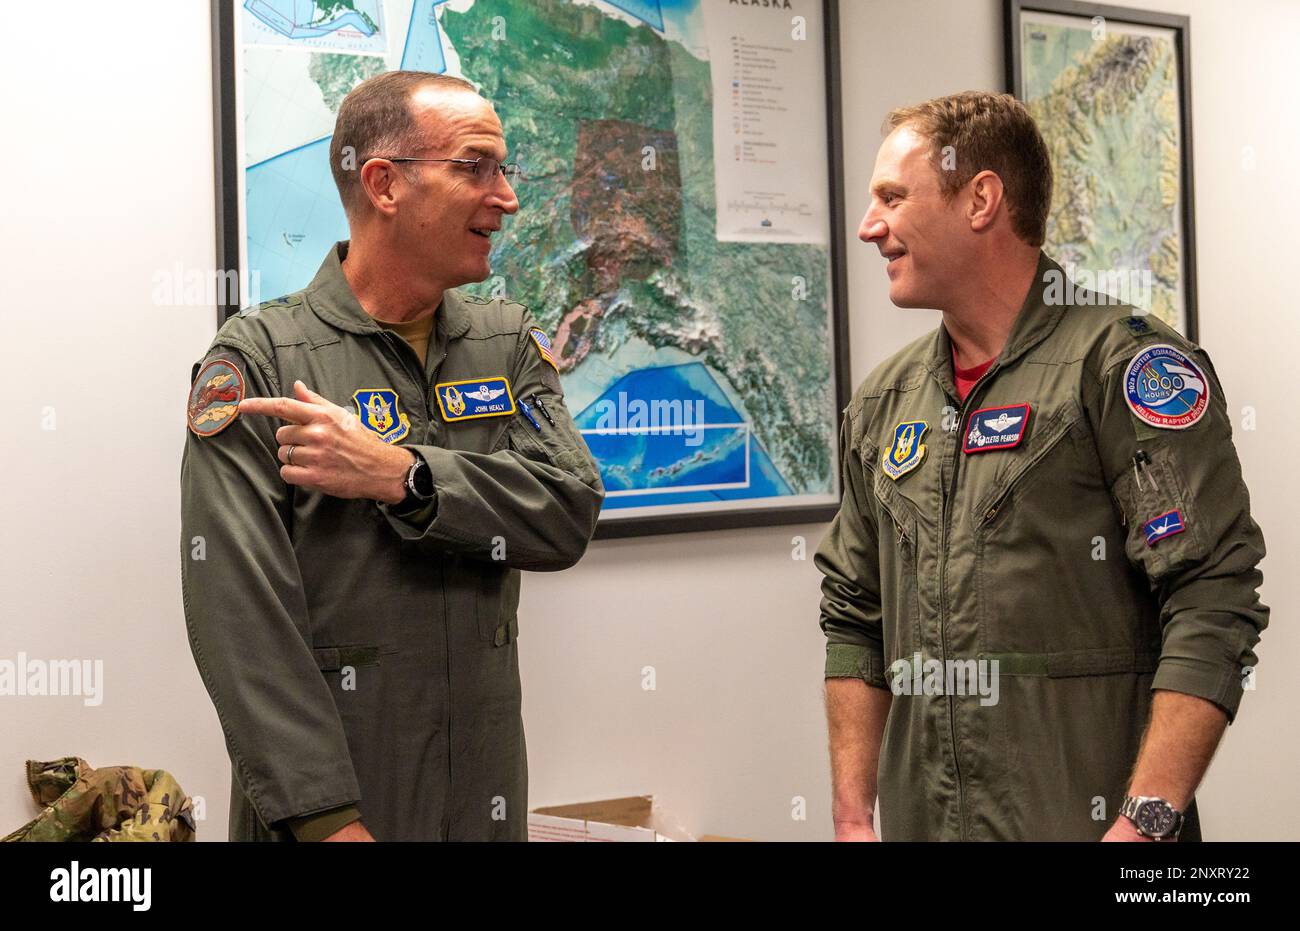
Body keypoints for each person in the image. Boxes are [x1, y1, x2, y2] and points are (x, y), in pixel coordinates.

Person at [817, 91, 1267, 841]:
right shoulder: (882, 403)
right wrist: (851, 817)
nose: (870, 227)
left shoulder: (1122, 367)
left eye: (893, 198)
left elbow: (1213, 598)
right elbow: (853, 618)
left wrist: (1144, 824)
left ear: (981, 199)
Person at [180, 71, 604, 842]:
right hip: (335, 812)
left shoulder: (506, 341)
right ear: (383, 184)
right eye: (476, 167)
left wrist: (403, 476)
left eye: (504, 170)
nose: (506, 196)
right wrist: (326, 817)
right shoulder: (261, 360)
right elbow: (240, 618)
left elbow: (568, 509)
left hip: (483, 796)